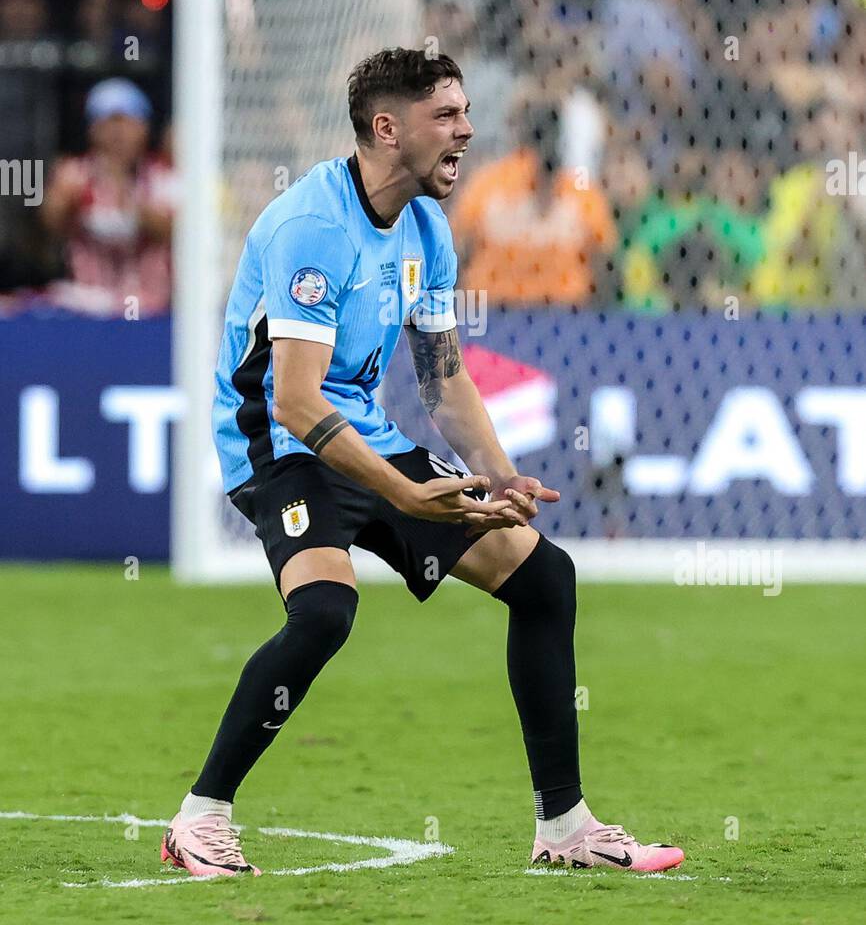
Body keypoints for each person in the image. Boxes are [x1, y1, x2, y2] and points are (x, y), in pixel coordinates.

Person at [162, 48, 684, 878]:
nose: (467, 131)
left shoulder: (428, 230)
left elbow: (444, 384)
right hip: (276, 442)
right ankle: (200, 817)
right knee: (326, 611)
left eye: (465, 113)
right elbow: (296, 401)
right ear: (386, 127)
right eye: (447, 116)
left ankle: (565, 827)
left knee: (544, 578)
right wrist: (409, 489)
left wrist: (501, 476)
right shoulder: (313, 228)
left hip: (360, 430)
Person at [450, 78, 617, 307]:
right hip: (496, 309)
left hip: (562, 313)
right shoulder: (488, 183)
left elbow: (605, 262)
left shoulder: (578, 189)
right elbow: (458, 248)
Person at [41, 78, 175, 316]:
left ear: (143, 127)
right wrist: (64, 200)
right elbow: (49, 225)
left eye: (125, 123)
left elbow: (171, 231)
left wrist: (125, 189)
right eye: (107, 123)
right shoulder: (74, 175)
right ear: (92, 129)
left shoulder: (162, 177)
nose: (117, 133)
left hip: (151, 312)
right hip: (88, 310)